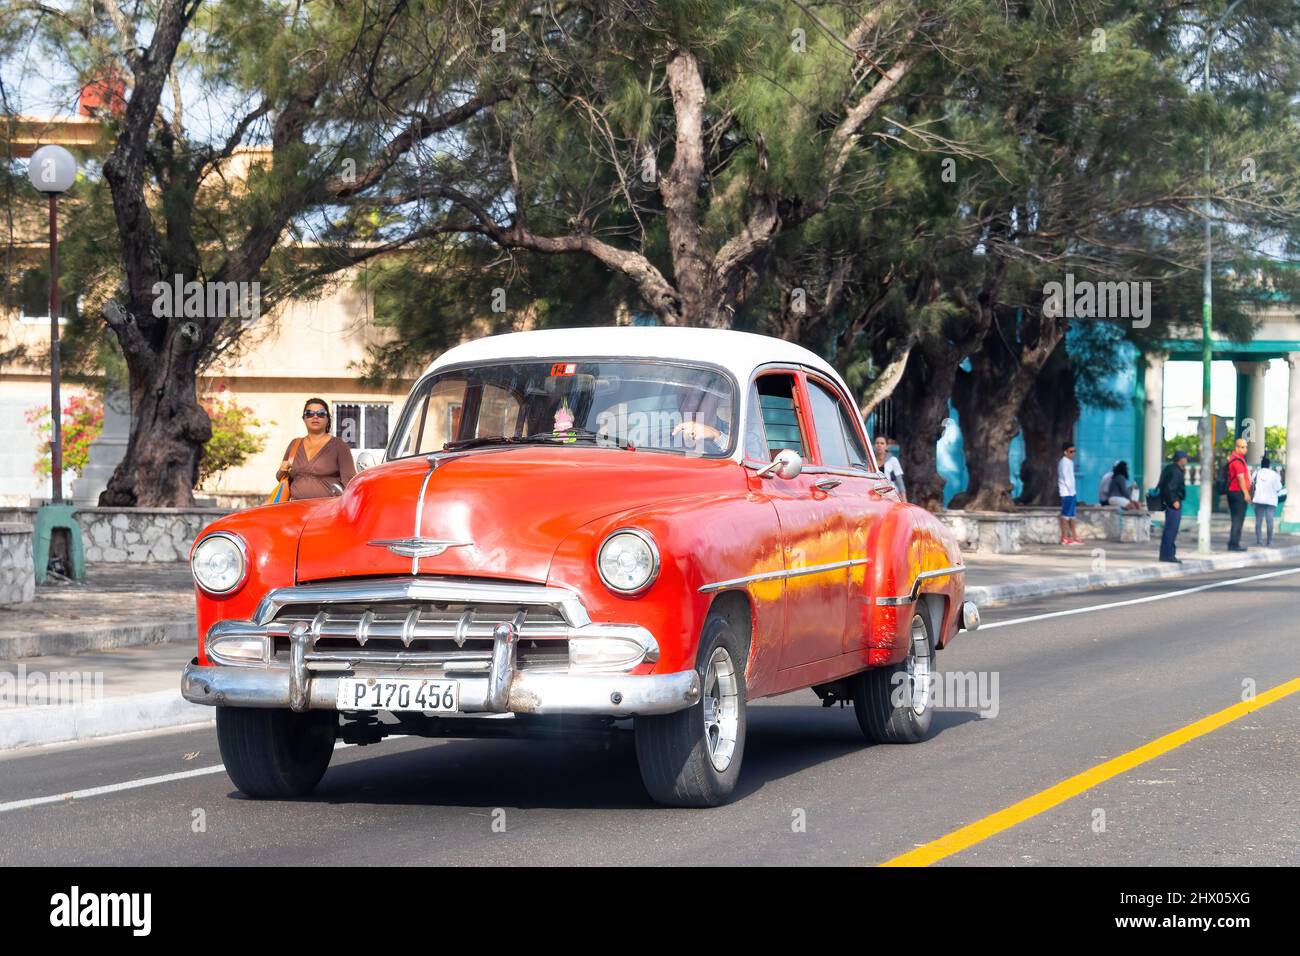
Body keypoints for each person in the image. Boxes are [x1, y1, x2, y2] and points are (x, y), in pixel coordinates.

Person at [276, 397, 357, 501]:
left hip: (327, 511)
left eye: (321, 413)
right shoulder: (295, 444)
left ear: (328, 419)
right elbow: (281, 478)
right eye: (309, 413)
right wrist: (281, 471)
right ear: (304, 418)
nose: (315, 416)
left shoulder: (339, 445)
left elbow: (350, 483)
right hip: (295, 510)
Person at [1157, 449, 1188, 562]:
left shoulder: (1170, 468)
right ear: (1181, 459)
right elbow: (1170, 487)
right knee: (1171, 529)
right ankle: (1168, 555)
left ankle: (1166, 554)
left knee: (1169, 529)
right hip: (1173, 504)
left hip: (1168, 502)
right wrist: (1174, 500)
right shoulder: (1176, 471)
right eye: (1185, 458)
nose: (1186, 460)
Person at [1225, 437, 1251, 552]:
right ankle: (1234, 544)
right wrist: (1246, 493)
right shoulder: (1236, 461)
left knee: (1237, 519)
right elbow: (1240, 479)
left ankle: (1234, 543)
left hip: (1234, 492)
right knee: (1237, 520)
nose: (1245, 449)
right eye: (1242, 447)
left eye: (1246, 447)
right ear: (1237, 447)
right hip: (1237, 493)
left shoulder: (1236, 459)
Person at [1253, 454, 1284, 547]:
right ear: (1269, 465)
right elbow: (1279, 487)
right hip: (1271, 501)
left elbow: (1251, 484)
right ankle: (1269, 541)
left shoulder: (1256, 473)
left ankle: (1259, 541)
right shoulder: (1273, 475)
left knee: (1258, 521)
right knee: (1269, 521)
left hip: (1258, 500)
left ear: (1261, 465)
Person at [1058, 441, 1080, 545]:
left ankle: (1074, 537)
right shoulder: (1064, 462)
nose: (1073, 453)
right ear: (1065, 452)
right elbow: (1066, 479)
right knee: (1065, 515)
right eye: (1071, 451)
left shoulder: (1069, 462)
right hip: (1067, 493)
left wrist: (1073, 493)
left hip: (1072, 492)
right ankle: (1064, 537)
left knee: (1071, 515)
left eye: (1074, 451)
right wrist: (1071, 492)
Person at [874, 435, 907, 501]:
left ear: (887, 446)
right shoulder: (870, 460)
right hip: (874, 494)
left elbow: (899, 481)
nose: (879, 445)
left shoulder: (893, 460)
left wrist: (904, 498)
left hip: (890, 496)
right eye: (877, 443)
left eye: (882, 443)